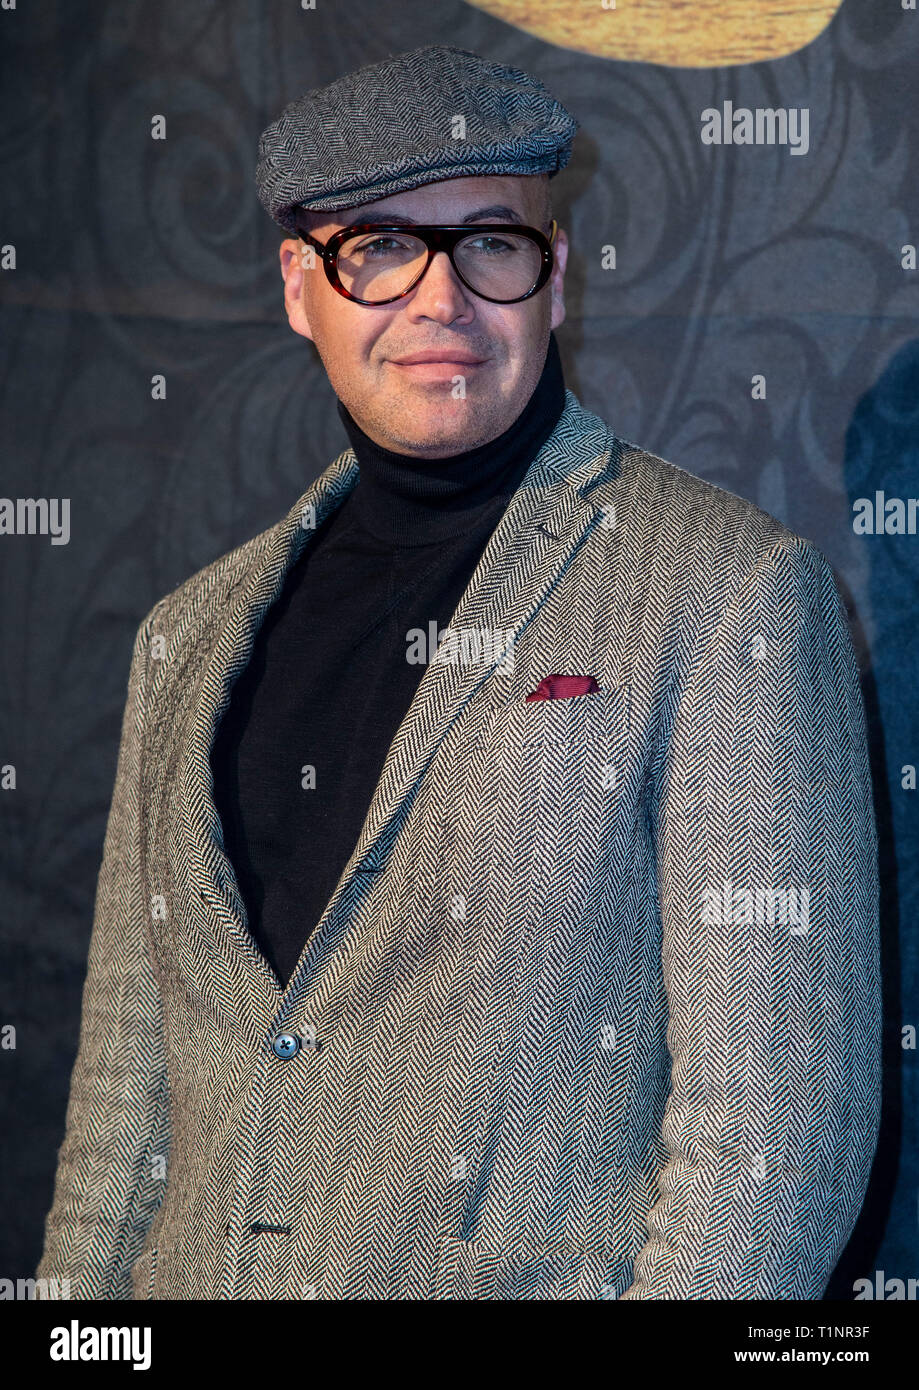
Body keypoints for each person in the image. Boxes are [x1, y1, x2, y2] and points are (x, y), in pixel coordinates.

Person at [36, 43, 881, 1301]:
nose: (439, 301)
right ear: (297, 287)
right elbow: (122, 1103)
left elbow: (773, 1139)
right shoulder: (185, 637)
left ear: (553, 279)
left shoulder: (727, 594)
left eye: (489, 242)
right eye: (376, 245)